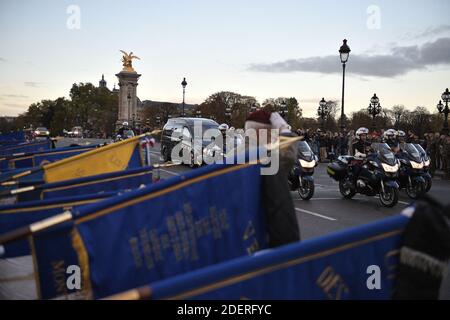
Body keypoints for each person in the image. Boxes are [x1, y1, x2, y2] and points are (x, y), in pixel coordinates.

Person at [238, 109, 300, 248]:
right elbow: (287, 156)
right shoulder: (261, 156)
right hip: (260, 232)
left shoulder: (235, 153)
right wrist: (284, 130)